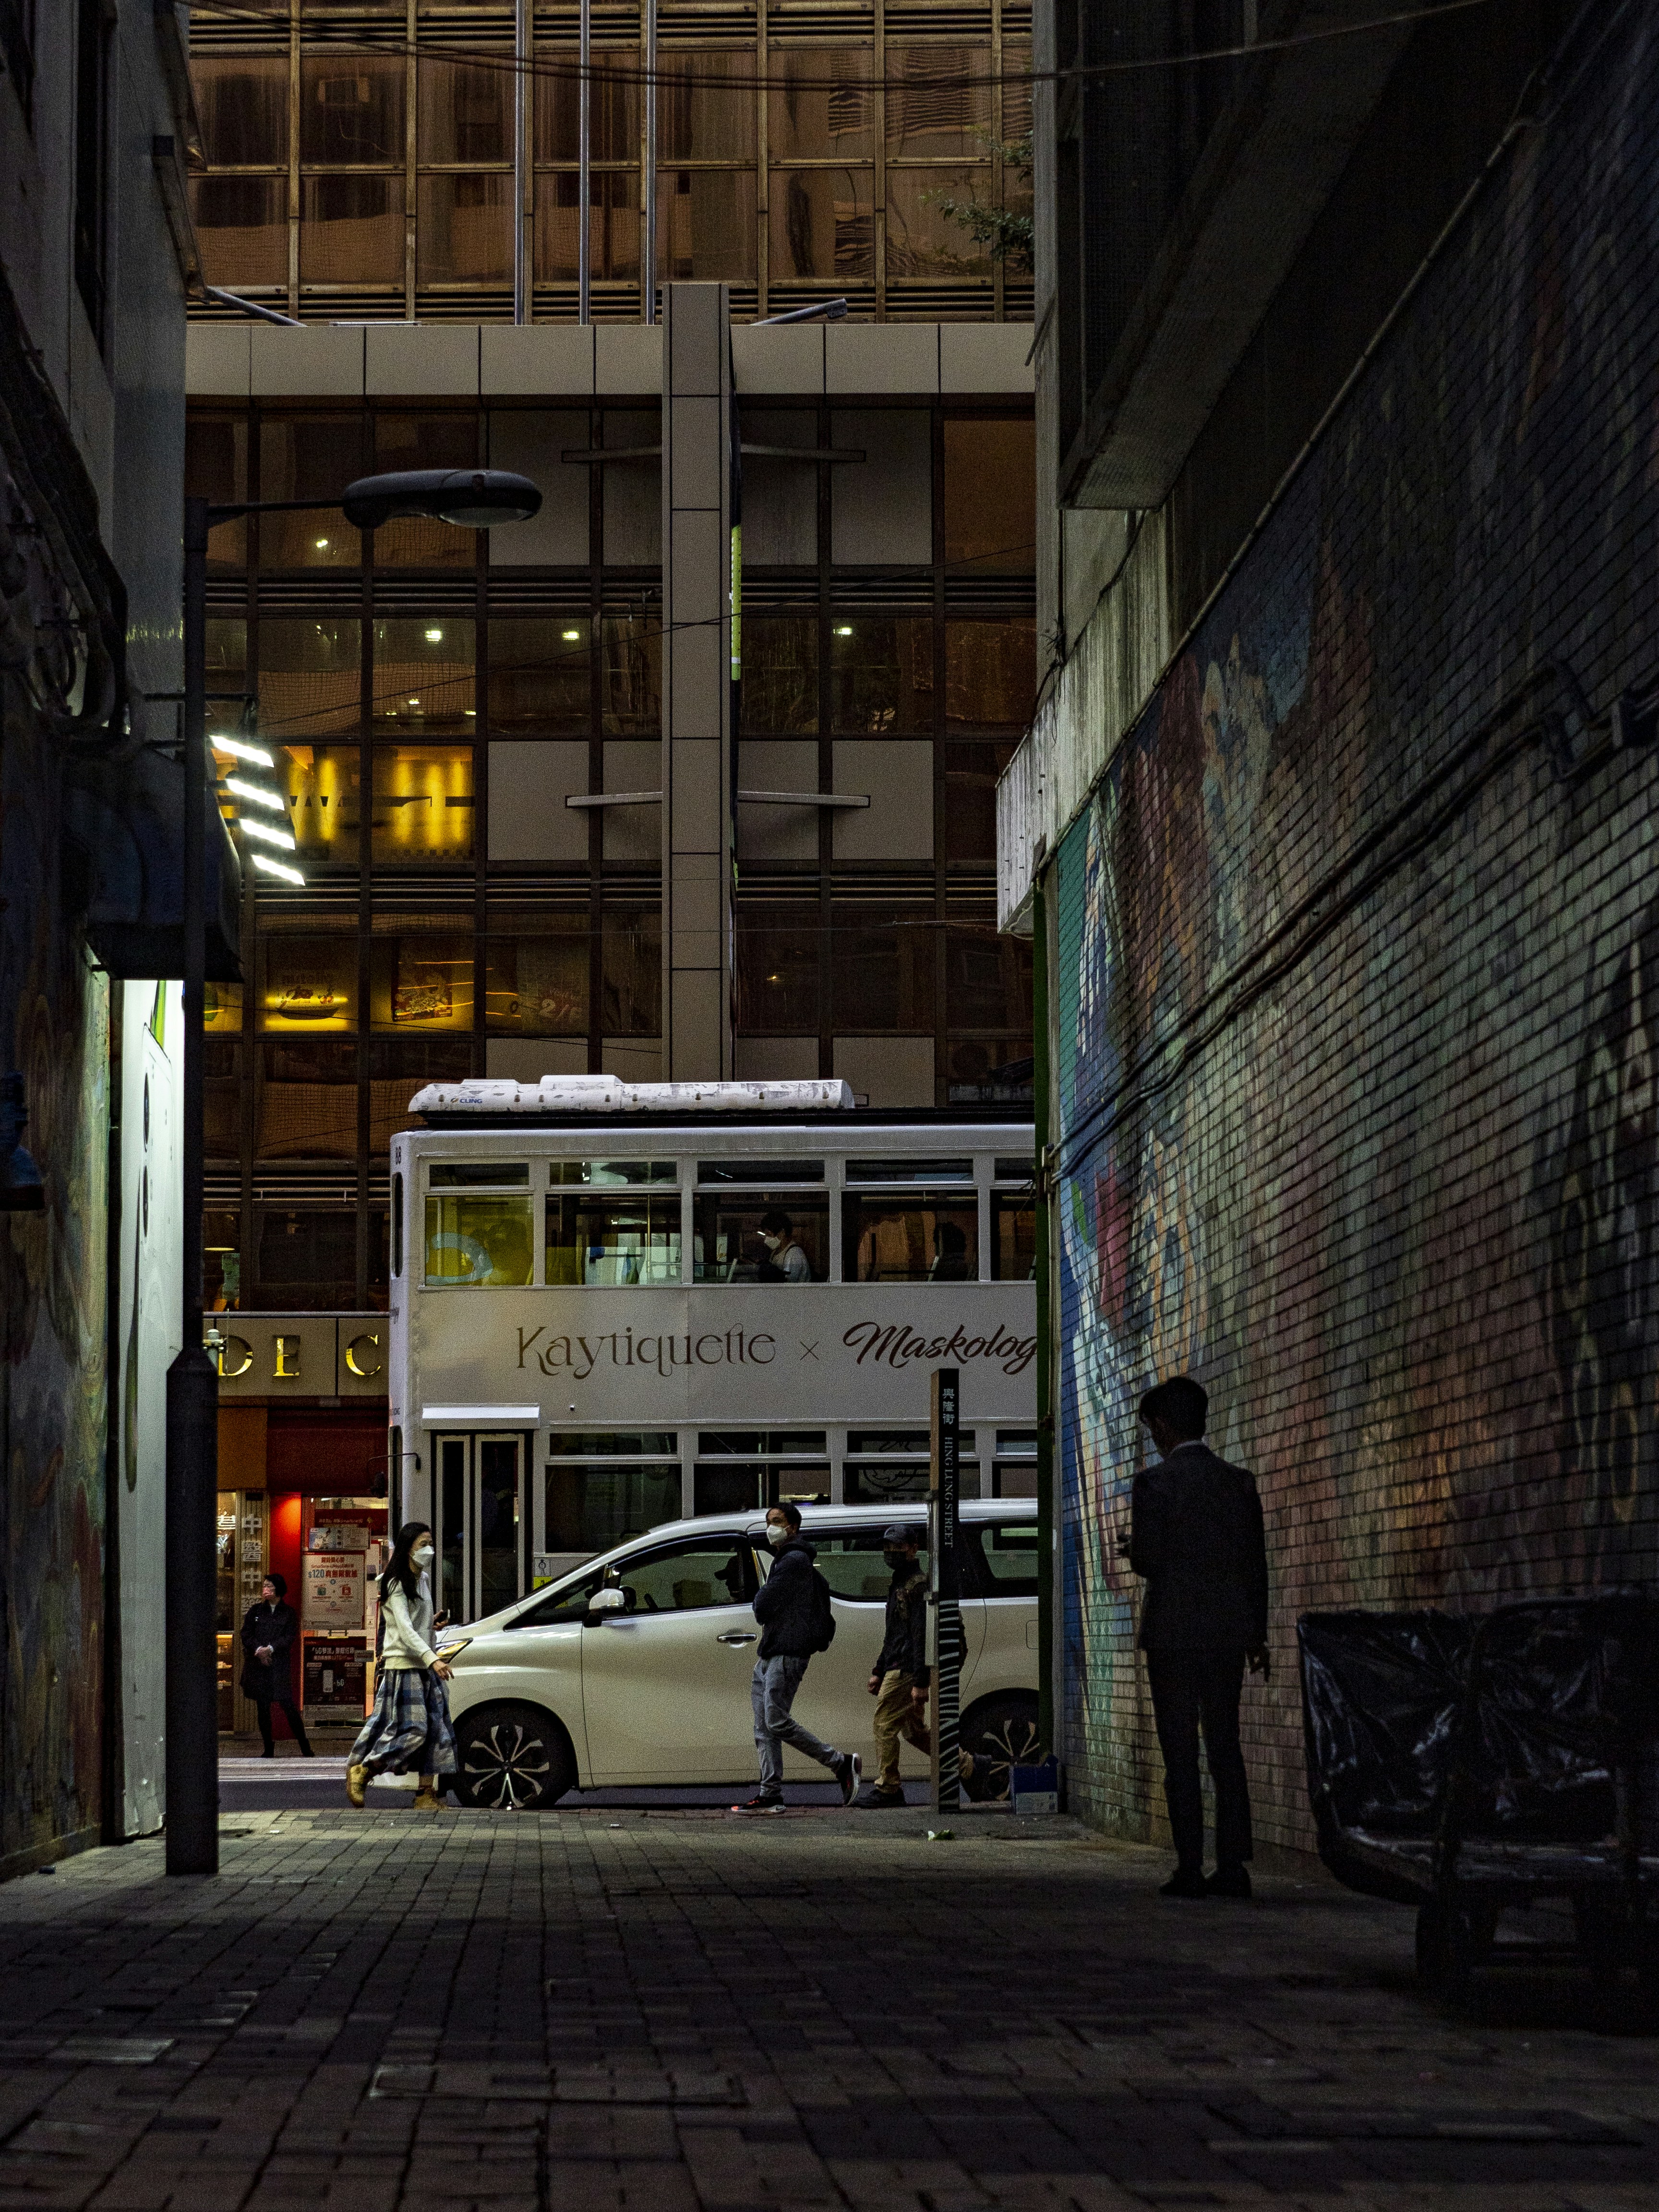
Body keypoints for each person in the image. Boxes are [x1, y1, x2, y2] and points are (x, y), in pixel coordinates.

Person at [1128, 1375, 1269, 1900]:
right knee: (1225, 1749)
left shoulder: (1154, 1485)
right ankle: (1233, 1867)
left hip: (1172, 1635)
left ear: (1163, 1426)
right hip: (1229, 1633)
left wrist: (1135, 1549)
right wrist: (1257, 1633)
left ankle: (1190, 1866)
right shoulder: (1239, 1483)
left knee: (1180, 1751)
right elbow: (1257, 1566)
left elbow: (1148, 1559)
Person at [734, 1503, 861, 1813]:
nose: (770, 1527)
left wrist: (762, 1598)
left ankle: (840, 1763)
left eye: (776, 1521)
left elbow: (762, 1606)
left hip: (786, 1654)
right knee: (763, 1726)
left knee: (775, 1720)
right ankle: (770, 1792)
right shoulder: (787, 1560)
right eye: (768, 1521)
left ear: (792, 1526)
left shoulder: (793, 1561)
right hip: (771, 1652)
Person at [859, 1525, 977, 1807]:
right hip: (899, 1664)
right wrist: (878, 1670)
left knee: (884, 1724)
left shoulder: (917, 1584)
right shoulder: (900, 1581)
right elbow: (894, 1633)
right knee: (913, 1731)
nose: (890, 1553)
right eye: (887, 1548)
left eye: (897, 1548)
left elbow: (921, 1636)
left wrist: (920, 1682)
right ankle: (968, 1765)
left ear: (913, 1548)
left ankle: (889, 1789)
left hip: (908, 1668)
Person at [346, 1521, 458, 1812]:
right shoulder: (395, 1582)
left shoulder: (421, 1579)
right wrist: (432, 1659)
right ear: (408, 1549)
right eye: (423, 1545)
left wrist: (431, 1624)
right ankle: (365, 1770)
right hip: (405, 1666)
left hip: (422, 1665)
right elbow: (405, 1631)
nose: (429, 1550)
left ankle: (425, 1794)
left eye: (431, 1543)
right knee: (415, 1730)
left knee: (436, 1731)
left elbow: (413, 1625)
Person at [240, 1574, 313, 1758]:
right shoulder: (255, 1611)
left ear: (279, 1590)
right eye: (264, 1586)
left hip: (278, 1666)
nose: (266, 1590)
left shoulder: (288, 1613)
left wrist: (270, 1649)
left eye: (270, 1587)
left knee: (288, 1705)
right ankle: (268, 1748)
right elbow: (246, 1634)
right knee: (262, 1707)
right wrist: (259, 1650)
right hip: (258, 1666)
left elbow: (289, 1637)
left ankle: (305, 1745)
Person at [756, 1209, 812, 1282]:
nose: (767, 1239)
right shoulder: (775, 1252)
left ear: (782, 1233)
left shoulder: (794, 1253)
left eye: (769, 1235)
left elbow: (787, 1283)